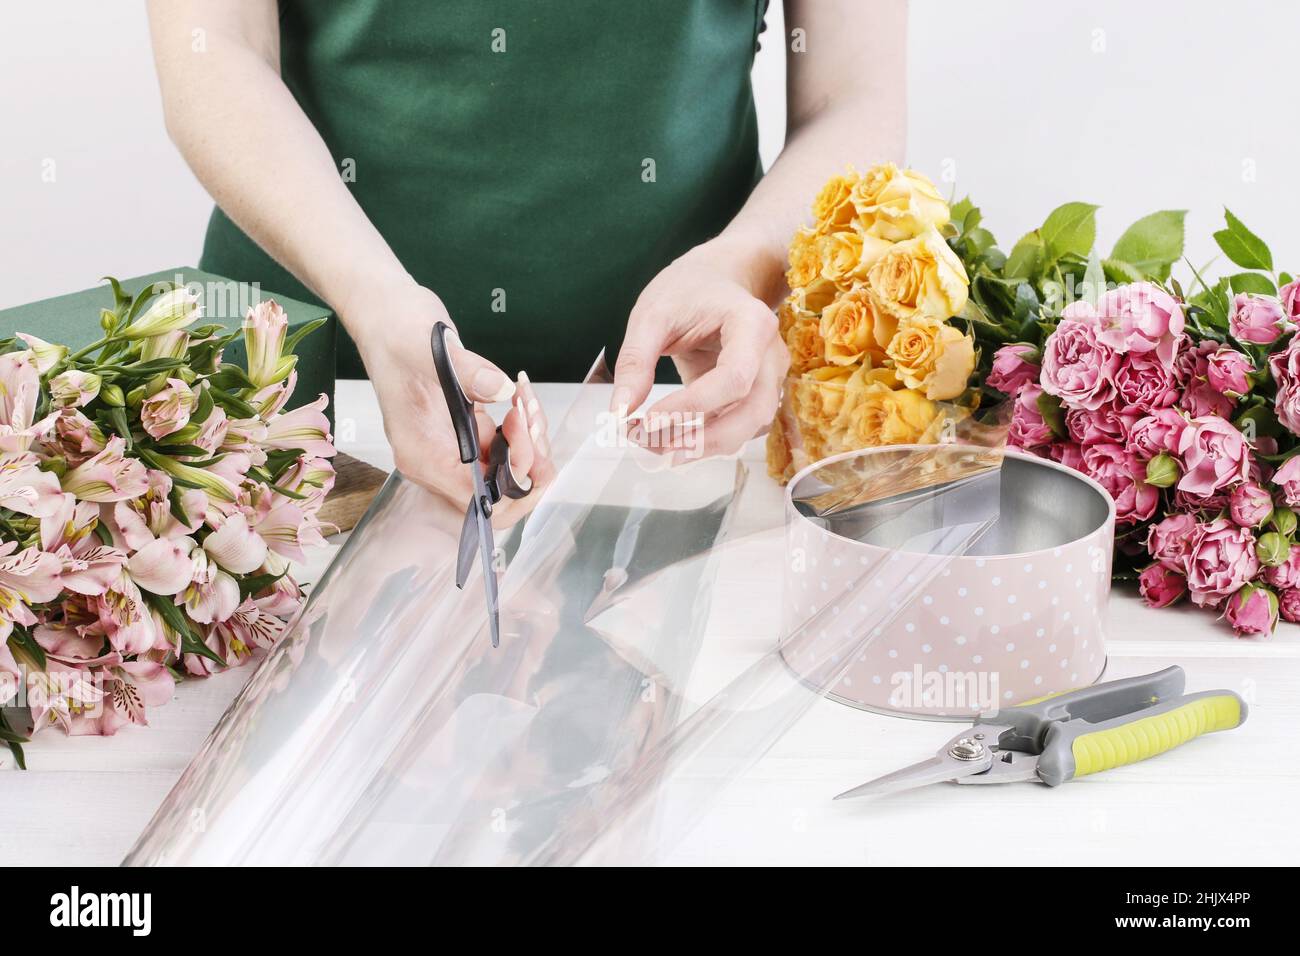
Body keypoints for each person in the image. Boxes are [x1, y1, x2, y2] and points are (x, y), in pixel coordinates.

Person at [147, 0, 906, 510]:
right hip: (315, 397)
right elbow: (212, 45)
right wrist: (372, 296)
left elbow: (855, 94)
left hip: (684, 417)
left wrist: (741, 264)